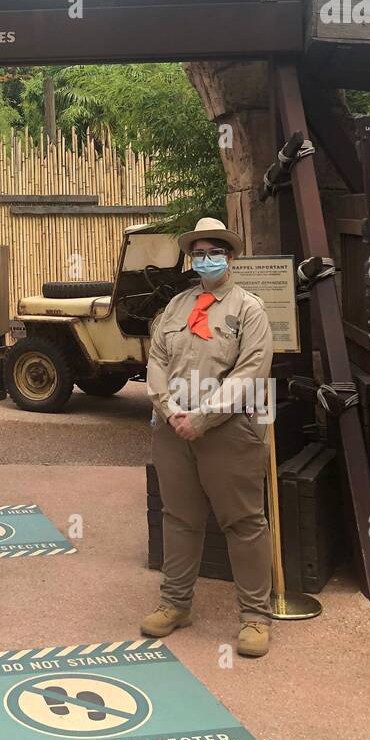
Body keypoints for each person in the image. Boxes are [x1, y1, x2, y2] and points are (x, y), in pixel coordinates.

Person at [142, 217, 274, 658]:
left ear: (230, 257)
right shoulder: (176, 309)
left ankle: (255, 616)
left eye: (213, 251)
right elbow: (157, 361)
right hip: (173, 427)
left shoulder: (248, 310)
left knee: (243, 522)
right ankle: (175, 604)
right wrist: (170, 409)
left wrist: (204, 417)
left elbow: (252, 370)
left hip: (228, 431)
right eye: (198, 252)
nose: (205, 259)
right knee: (179, 518)